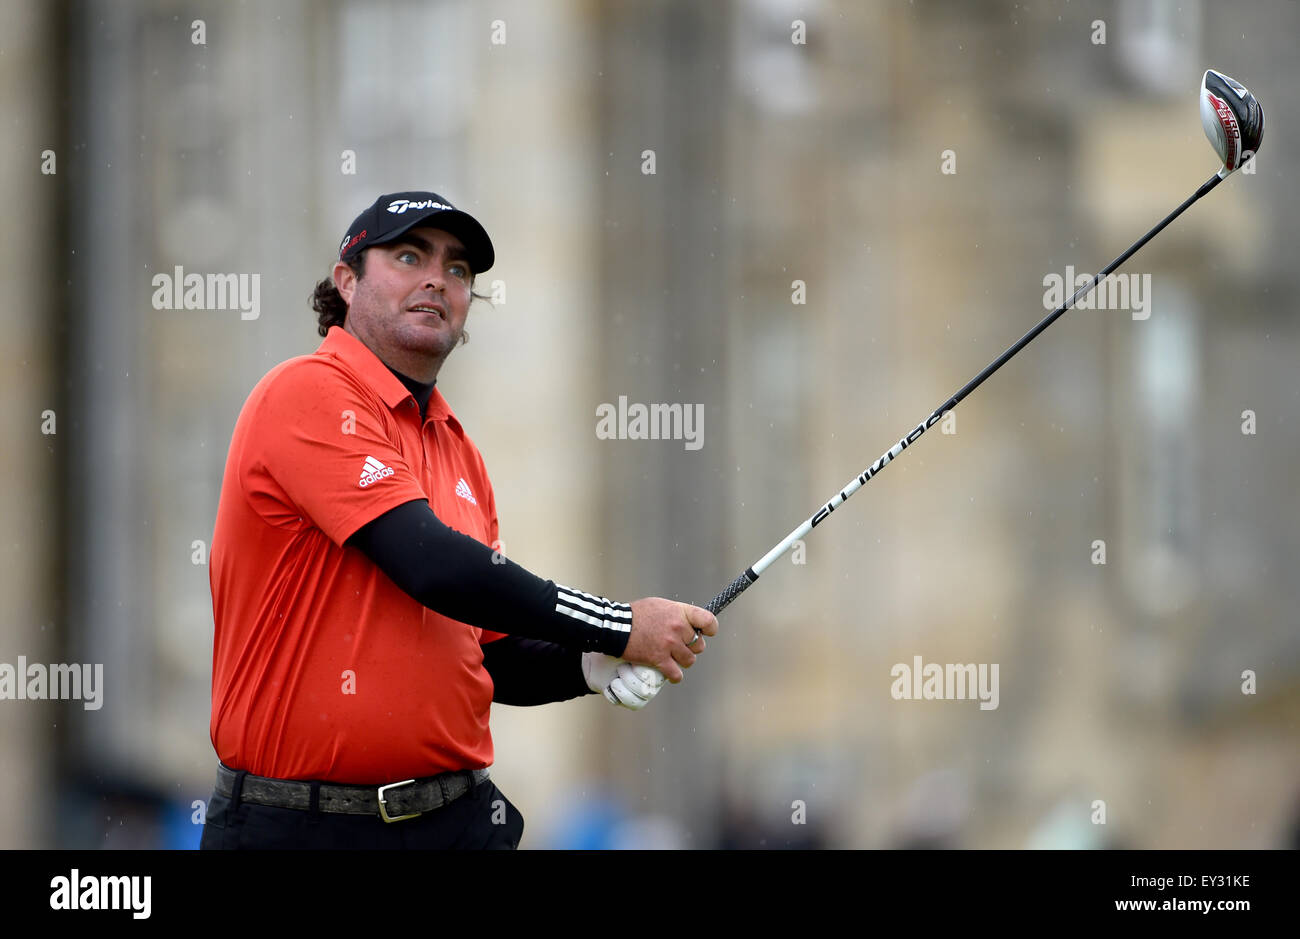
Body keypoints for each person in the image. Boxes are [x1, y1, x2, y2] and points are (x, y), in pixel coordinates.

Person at [200, 191, 718, 849]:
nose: (436, 280)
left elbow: (482, 653)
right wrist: (619, 624)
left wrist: (586, 664)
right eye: (410, 255)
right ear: (346, 280)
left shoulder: (457, 447)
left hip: (453, 822)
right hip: (300, 827)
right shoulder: (305, 391)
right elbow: (433, 565)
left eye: (458, 269)